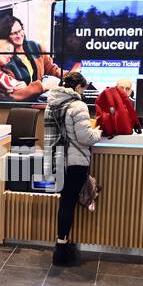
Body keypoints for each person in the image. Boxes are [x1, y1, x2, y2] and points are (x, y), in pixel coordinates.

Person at [44, 70, 100, 267]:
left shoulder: (51, 104)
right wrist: (98, 131)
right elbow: (85, 137)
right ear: (77, 87)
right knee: (68, 204)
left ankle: (62, 244)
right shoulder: (78, 105)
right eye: (83, 89)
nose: (84, 93)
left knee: (65, 203)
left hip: (57, 161)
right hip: (75, 162)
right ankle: (61, 251)